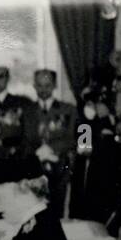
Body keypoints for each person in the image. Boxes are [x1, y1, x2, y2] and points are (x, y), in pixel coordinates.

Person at [23, 69, 77, 215]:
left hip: (60, 167)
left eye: (47, 85)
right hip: (34, 167)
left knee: (57, 210)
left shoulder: (68, 110)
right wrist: (35, 152)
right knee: (35, 210)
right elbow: (23, 139)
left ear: (54, 86)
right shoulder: (26, 111)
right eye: (39, 85)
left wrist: (52, 148)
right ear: (34, 86)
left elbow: (74, 138)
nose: (43, 89)